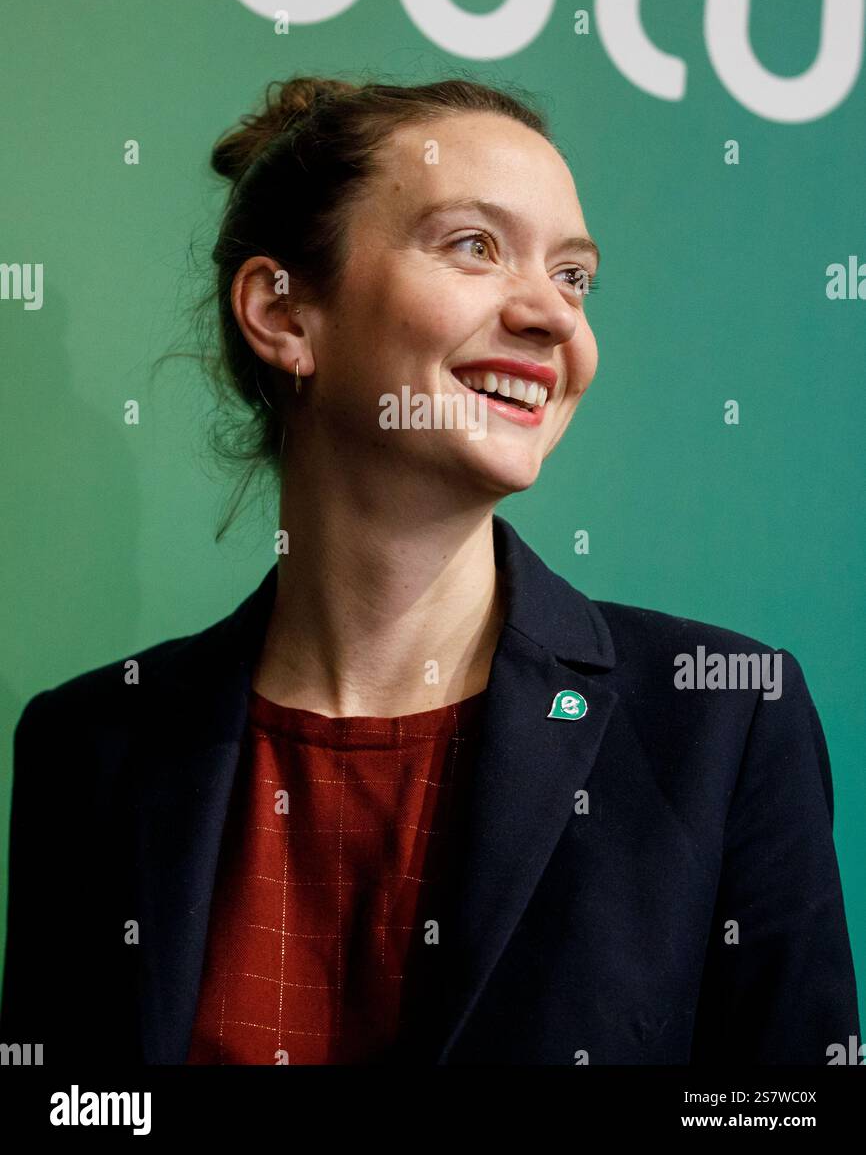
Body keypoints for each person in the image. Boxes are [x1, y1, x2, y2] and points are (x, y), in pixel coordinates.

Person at [1, 76, 859, 1066]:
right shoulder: (91, 748)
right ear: (283, 315)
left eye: (574, 276)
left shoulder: (720, 724)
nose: (550, 315)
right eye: (472, 246)